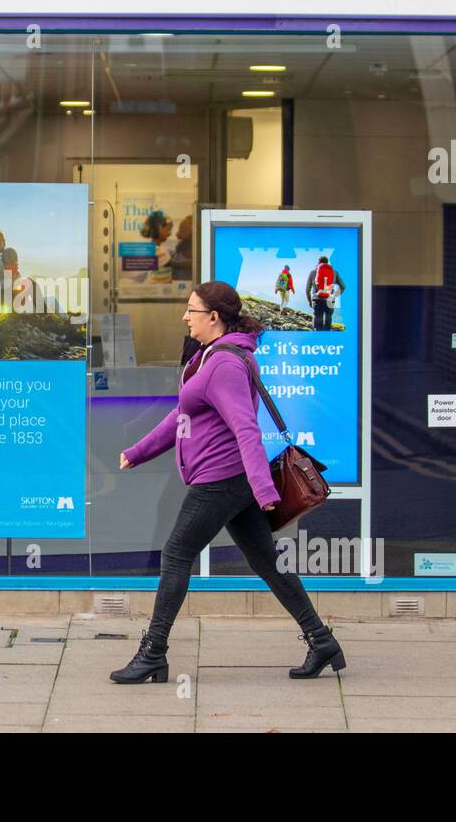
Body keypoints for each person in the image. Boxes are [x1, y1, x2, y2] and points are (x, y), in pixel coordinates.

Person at [112, 280, 345, 684]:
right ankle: (321, 640)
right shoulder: (208, 357)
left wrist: (264, 489)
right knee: (266, 561)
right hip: (228, 479)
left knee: (175, 554)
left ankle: (153, 653)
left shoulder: (224, 365)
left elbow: (245, 429)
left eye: (192, 310)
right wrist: (139, 452)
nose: (185, 317)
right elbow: (181, 415)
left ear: (214, 317)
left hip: (222, 480)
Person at [306, 255, 345, 330]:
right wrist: (334, 295)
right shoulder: (334, 273)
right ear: (327, 263)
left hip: (317, 299)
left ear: (318, 262)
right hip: (330, 299)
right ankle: (327, 337)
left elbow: (307, 289)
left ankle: (317, 337)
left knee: (317, 319)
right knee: (328, 318)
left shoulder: (313, 272)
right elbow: (343, 286)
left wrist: (309, 301)